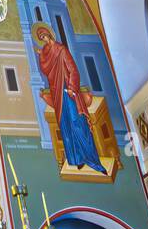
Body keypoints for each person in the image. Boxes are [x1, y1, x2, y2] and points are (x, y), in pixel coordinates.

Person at [34, 23, 103, 173]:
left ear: (49, 34)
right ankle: (76, 159)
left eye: (44, 35)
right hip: (57, 94)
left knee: (77, 122)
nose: (44, 39)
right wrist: (41, 55)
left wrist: (72, 88)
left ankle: (90, 157)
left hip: (67, 91)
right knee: (65, 125)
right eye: (41, 37)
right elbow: (46, 69)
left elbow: (73, 70)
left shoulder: (61, 50)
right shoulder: (46, 52)